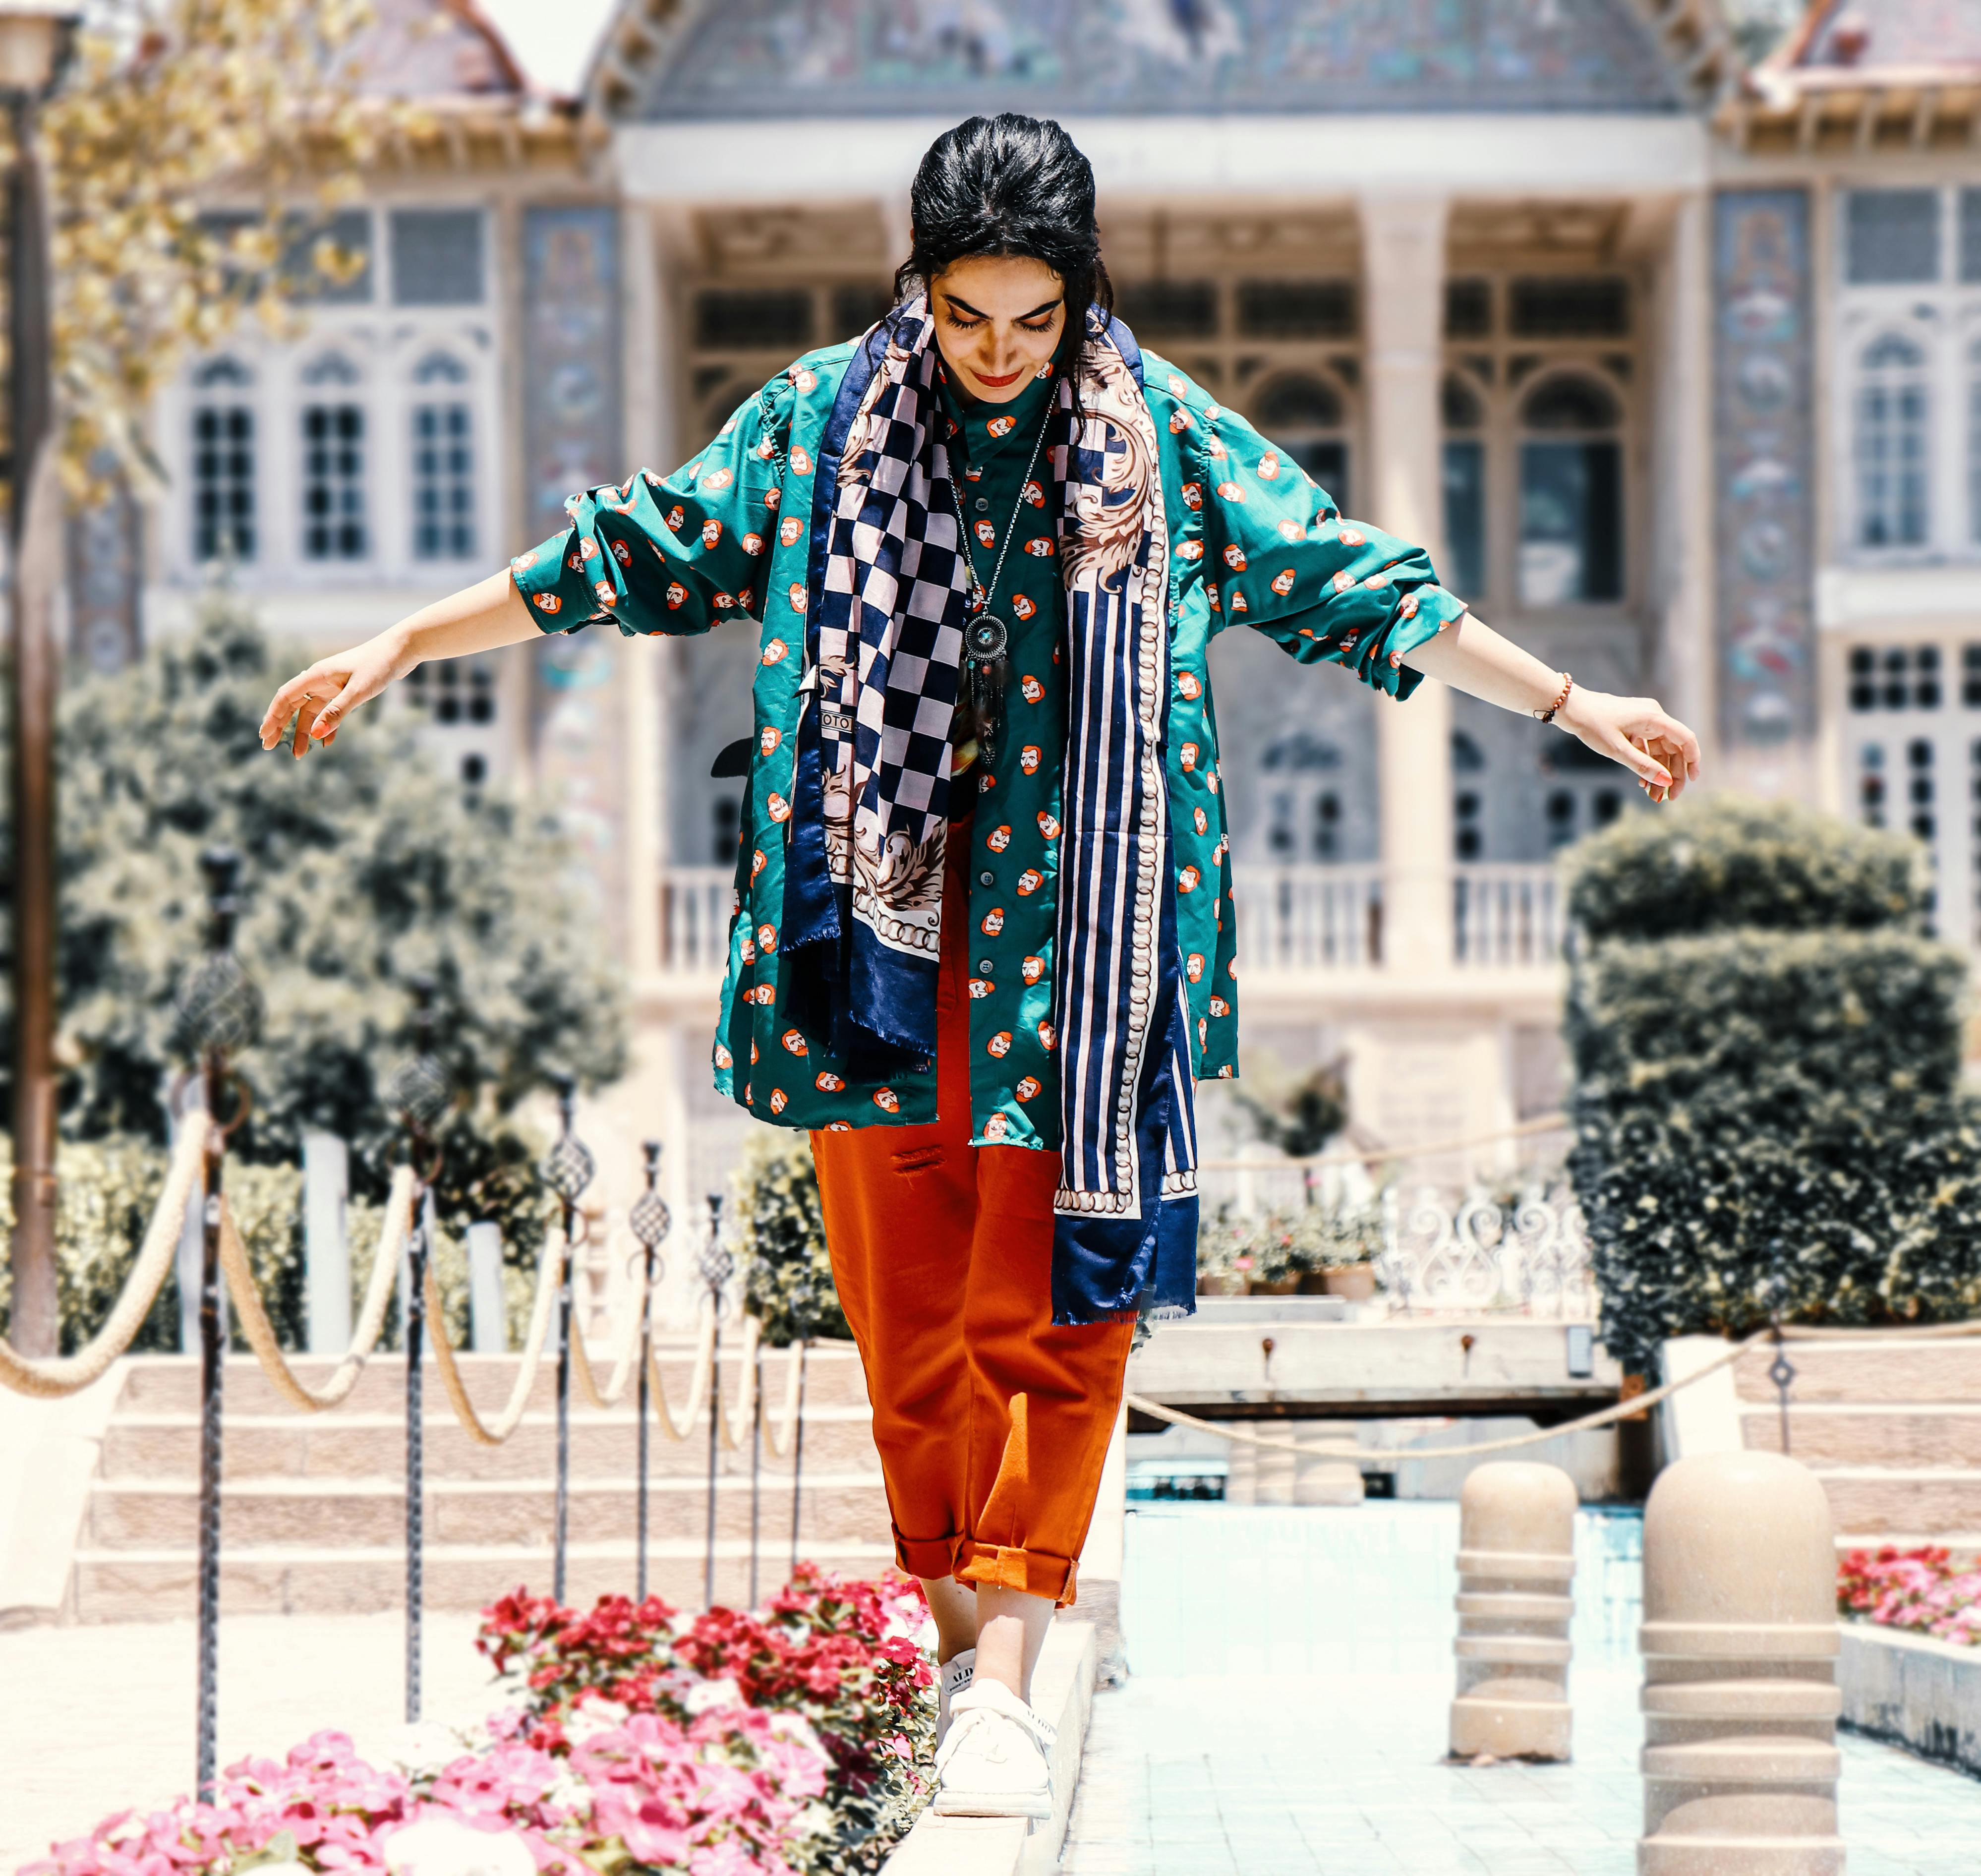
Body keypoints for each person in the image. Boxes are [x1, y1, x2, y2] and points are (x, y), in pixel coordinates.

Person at [260, 114, 1699, 1818]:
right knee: (912, 1334)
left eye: (1034, 320)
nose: (1001, 356)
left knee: (1056, 1318)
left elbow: (1357, 587)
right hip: (875, 949)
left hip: (1083, 959)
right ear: (918, 290)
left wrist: (1569, 702)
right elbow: (629, 551)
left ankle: (1008, 1666)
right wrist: (408, 638)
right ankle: (957, 1642)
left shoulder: (1162, 437)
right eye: (968, 318)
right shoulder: (820, 424)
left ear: (1083, 297)